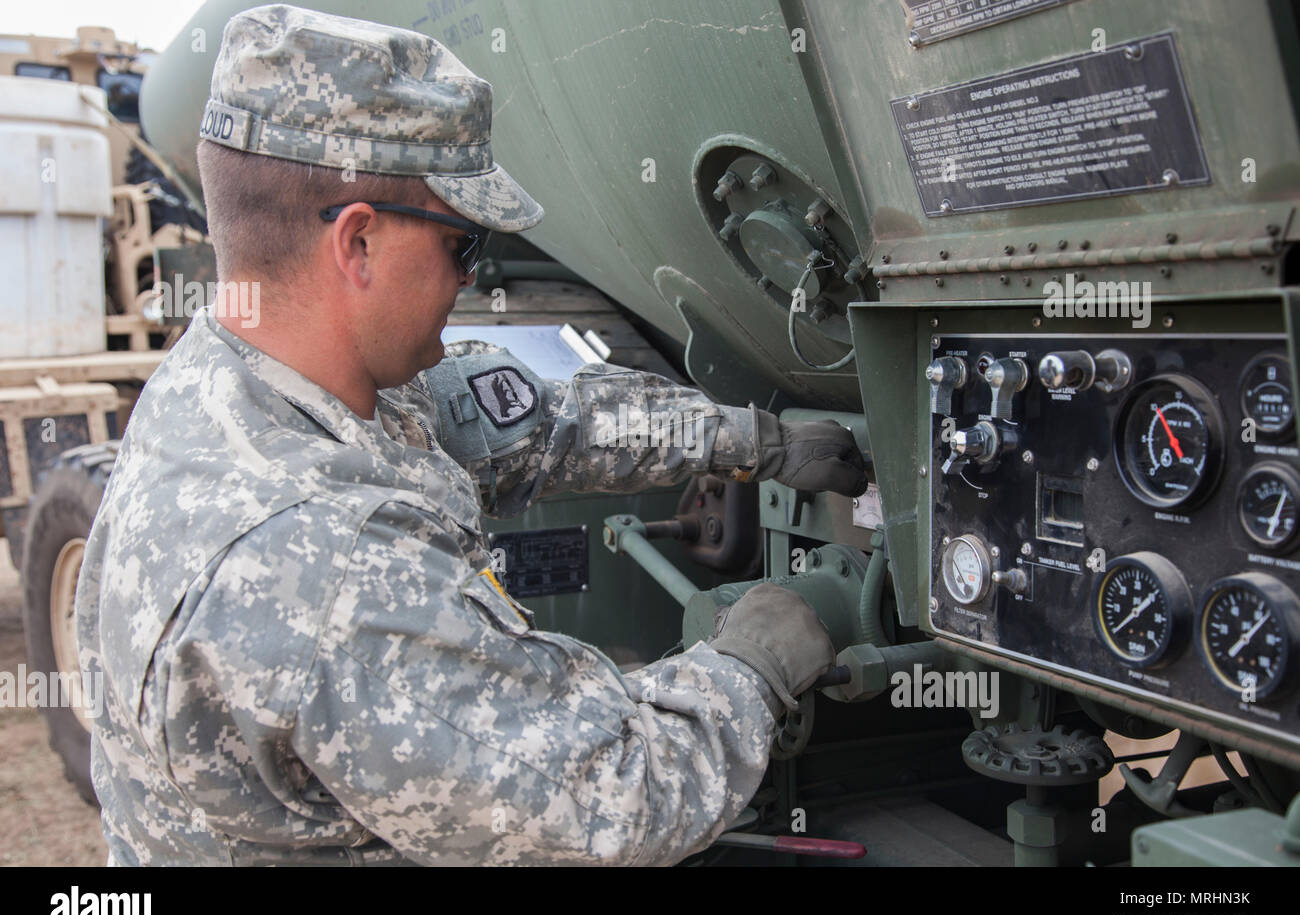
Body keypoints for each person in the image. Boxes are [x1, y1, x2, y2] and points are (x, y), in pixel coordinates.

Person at [77, 4, 868, 865]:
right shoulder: (328, 568)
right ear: (360, 242)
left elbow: (543, 424)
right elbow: (612, 796)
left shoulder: (240, 376)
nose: (473, 275)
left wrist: (746, 438)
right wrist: (754, 662)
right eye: (464, 243)